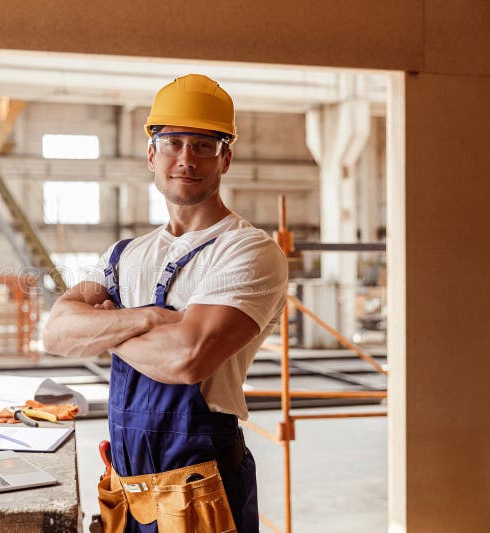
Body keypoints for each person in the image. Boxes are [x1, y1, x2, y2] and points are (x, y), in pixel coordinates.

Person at [43, 74, 288, 533]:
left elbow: (187, 358)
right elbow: (56, 333)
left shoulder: (247, 250)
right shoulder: (124, 254)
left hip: (202, 488)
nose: (186, 158)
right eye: (173, 142)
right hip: (128, 486)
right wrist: (149, 319)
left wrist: (106, 323)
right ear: (151, 154)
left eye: (203, 145)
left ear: (225, 158)